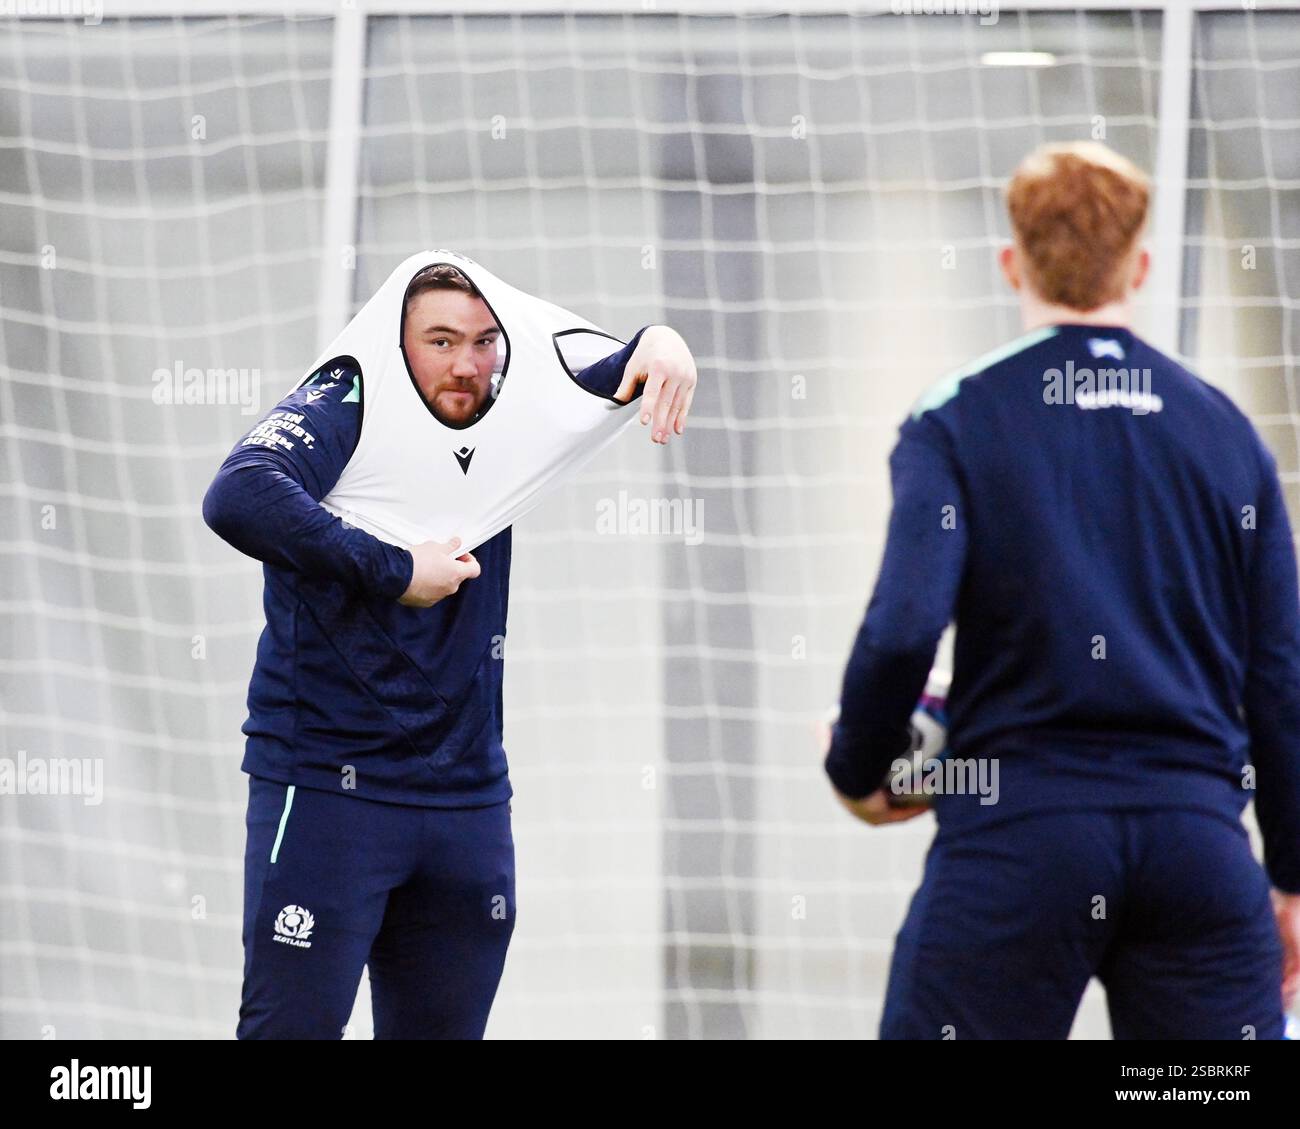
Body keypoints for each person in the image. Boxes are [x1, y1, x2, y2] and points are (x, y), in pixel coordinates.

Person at [822, 141, 1300, 1039]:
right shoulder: (1227, 433)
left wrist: (860, 762)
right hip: (1196, 845)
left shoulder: (955, 418)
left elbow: (902, 629)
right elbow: (1282, 673)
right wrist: (1293, 876)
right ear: (1142, 265)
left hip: (1018, 832)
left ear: (1013, 261)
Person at [204, 257, 697, 1038]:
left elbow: (618, 364)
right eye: (439, 340)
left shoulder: (508, 400)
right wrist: (397, 570)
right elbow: (238, 492)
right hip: (329, 793)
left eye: (481, 341)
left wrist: (663, 340)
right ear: (398, 345)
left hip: (466, 802)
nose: (464, 364)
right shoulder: (348, 396)